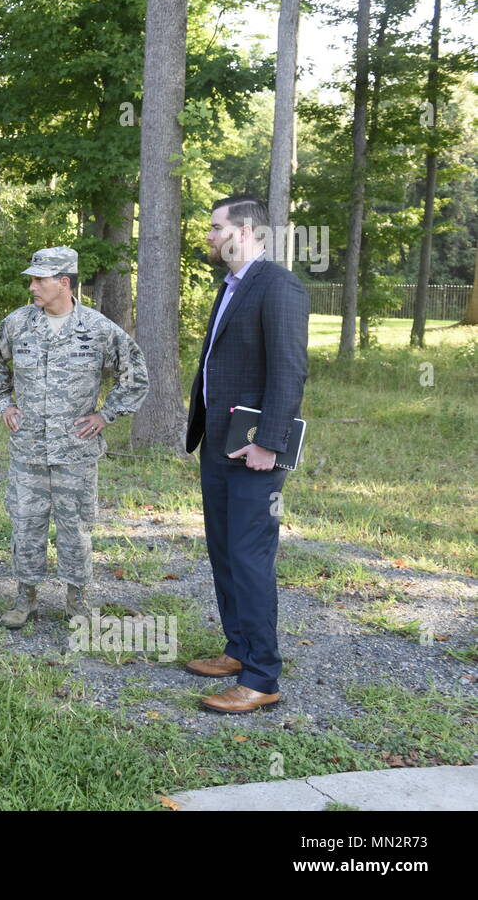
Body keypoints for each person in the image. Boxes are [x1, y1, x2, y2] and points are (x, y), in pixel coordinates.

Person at [0, 247, 149, 628]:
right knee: (26, 524)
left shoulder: (97, 328)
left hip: (76, 450)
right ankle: (25, 599)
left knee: (76, 527)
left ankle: (78, 601)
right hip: (28, 451)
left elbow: (136, 374)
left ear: (64, 283)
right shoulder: (18, 324)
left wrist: (106, 414)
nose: (32, 286)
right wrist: (3, 403)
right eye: (33, 279)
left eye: (40, 279)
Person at [186, 195, 309, 714]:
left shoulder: (277, 286)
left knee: (250, 557)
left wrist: (269, 443)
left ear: (247, 229)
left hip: (255, 449)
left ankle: (262, 677)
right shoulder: (232, 285)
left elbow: (289, 370)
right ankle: (237, 651)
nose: (209, 236)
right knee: (223, 551)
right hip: (220, 444)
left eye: (216, 228)